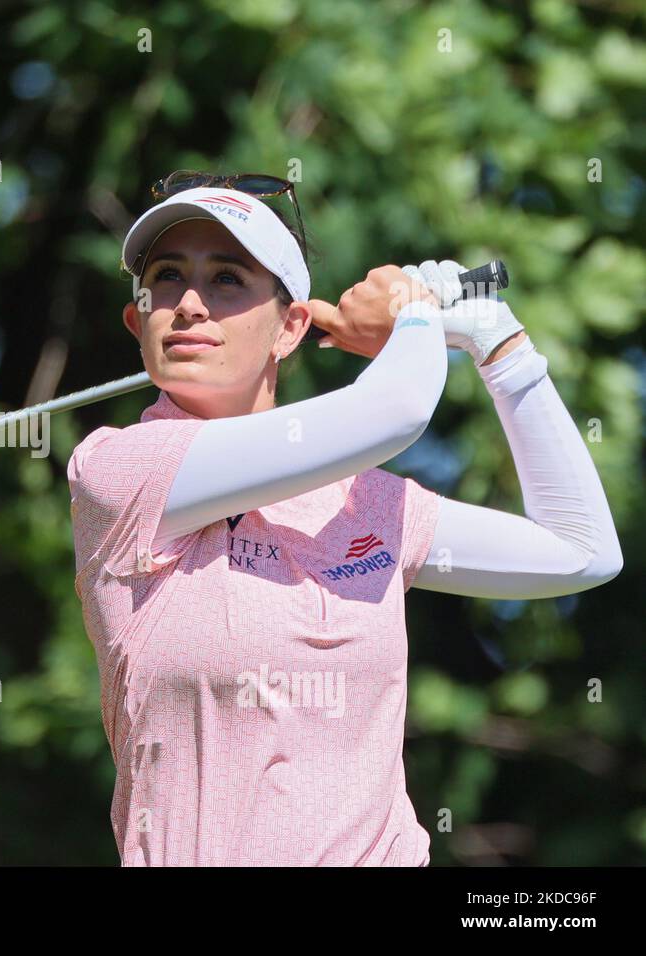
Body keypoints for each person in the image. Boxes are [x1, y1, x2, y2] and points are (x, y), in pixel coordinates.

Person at [66, 171, 623, 866]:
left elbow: (582, 550)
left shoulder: (371, 505)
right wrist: (414, 314)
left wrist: (499, 344)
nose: (189, 305)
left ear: (292, 325)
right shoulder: (119, 471)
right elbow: (395, 412)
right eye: (167, 279)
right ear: (136, 322)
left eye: (229, 280)